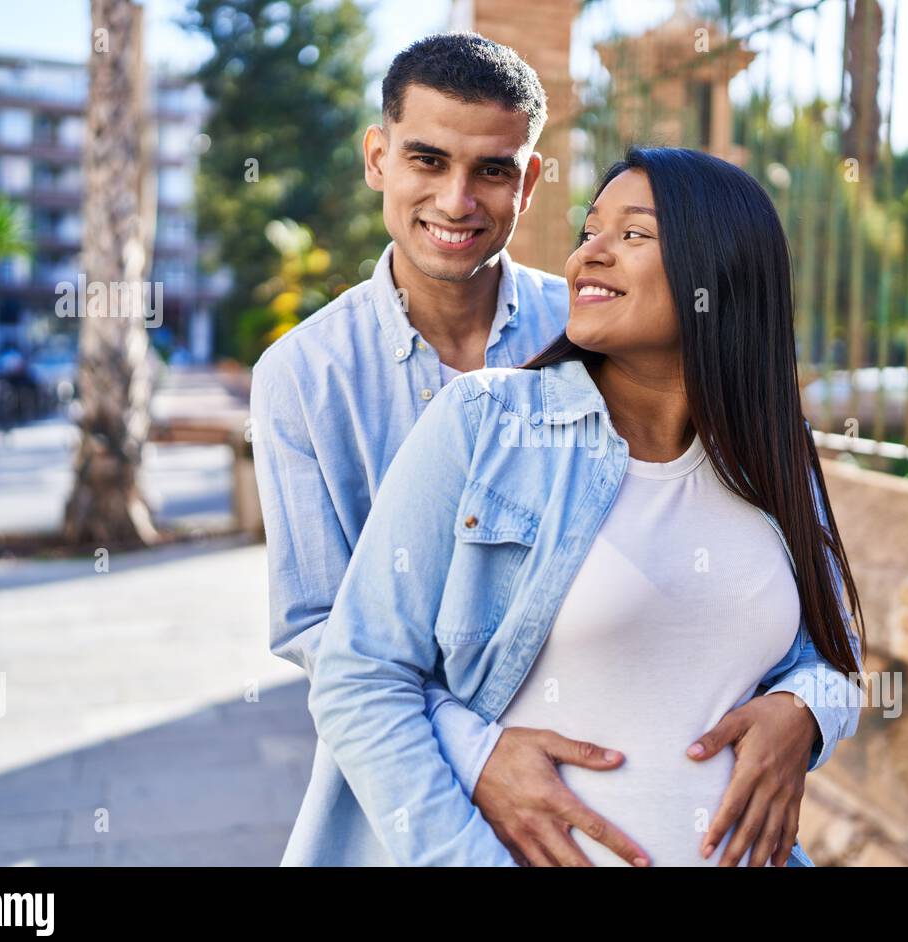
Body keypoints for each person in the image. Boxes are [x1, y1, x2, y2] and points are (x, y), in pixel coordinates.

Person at [308, 145, 867, 867]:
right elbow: (361, 676)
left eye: (633, 235)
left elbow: (834, 651)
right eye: (588, 232)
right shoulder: (485, 422)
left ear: (722, 272)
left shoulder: (773, 452)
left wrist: (807, 713)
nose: (586, 257)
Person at [254, 32, 647, 866]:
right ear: (378, 158)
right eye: (427, 161)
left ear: (529, 181)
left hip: (604, 783)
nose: (457, 199)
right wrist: (477, 749)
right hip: (403, 797)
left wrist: (804, 700)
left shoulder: (592, 328)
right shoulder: (302, 376)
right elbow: (319, 627)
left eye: (493, 171)